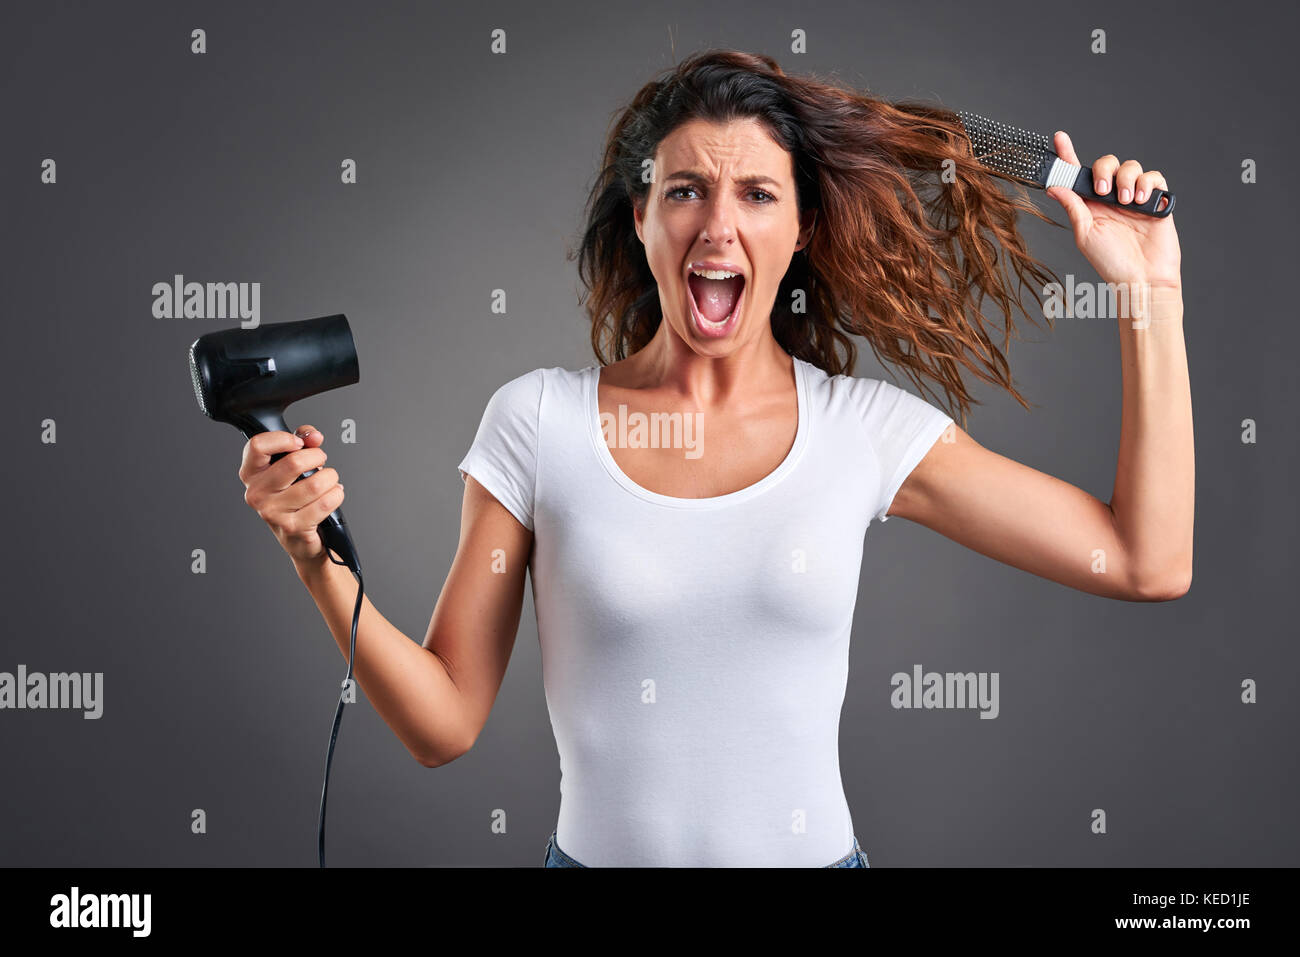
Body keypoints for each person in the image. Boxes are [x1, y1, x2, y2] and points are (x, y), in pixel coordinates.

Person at [237, 50, 1192, 867]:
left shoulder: (862, 430)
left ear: (801, 228)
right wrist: (312, 551)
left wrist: (1150, 291)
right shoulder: (537, 422)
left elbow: (1147, 560)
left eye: (758, 194)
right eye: (685, 190)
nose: (718, 225)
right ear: (643, 217)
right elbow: (442, 725)